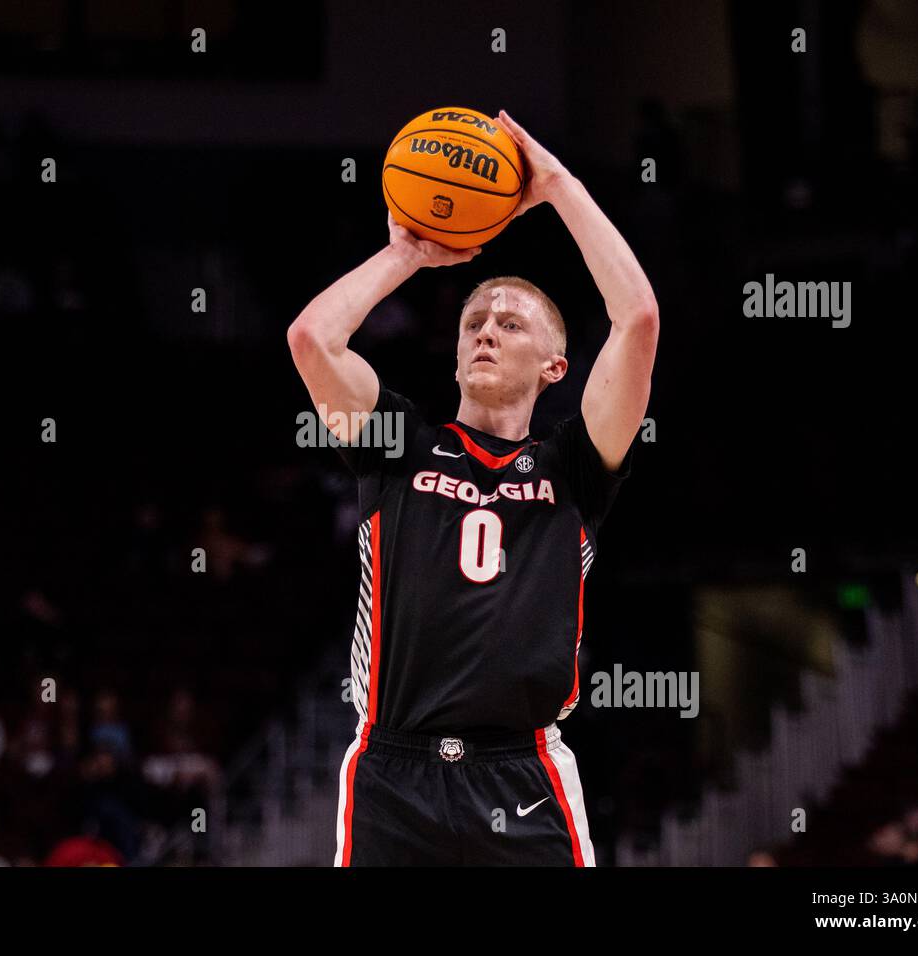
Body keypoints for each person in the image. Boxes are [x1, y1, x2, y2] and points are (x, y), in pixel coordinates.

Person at [288, 110, 658, 866]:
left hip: (522, 772)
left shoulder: (574, 468)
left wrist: (559, 186)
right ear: (455, 357)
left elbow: (639, 319)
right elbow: (312, 340)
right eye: (474, 323)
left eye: (510, 325)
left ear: (556, 368)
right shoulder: (397, 447)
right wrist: (406, 253)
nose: (486, 331)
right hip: (392, 767)